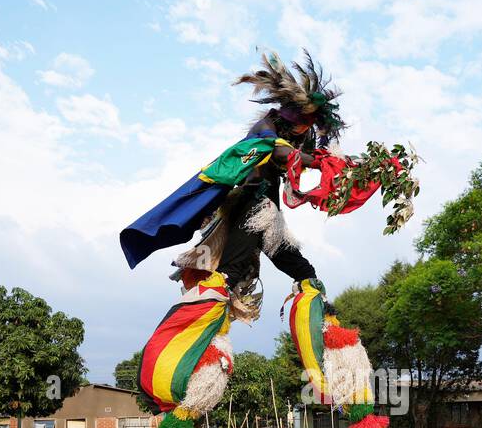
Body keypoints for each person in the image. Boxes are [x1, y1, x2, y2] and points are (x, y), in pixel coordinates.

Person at [118, 51, 345, 317]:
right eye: (304, 123)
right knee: (229, 275)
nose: (306, 130)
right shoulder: (266, 129)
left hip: (269, 217)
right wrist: (322, 163)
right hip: (248, 211)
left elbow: (304, 155)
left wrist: (340, 164)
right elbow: (281, 153)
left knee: (302, 271)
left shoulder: (293, 136)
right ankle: (193, 334)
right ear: (290, 116)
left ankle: (326, 321)